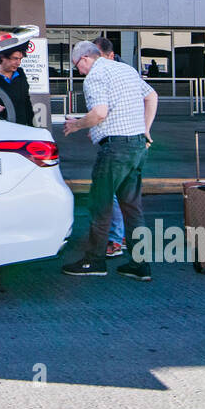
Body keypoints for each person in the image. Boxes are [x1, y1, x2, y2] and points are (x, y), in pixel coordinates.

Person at [61, 40, 157, 280]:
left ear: (84, 59)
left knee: (100, 204)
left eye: (77, 66)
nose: (78, 71)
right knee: (132, 208)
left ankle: (94, 261)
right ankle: (140, 264)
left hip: (114, 148)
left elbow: (100, 113)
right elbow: (152, 96)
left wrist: (76, 125)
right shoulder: (126, 69)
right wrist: (145, 130)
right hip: (136, 146)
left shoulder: (94, 75)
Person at [90, 37, 126, 257]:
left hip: (118, 140)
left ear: (110, 56)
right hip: (130, 139)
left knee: (110, 191)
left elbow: (103, 112)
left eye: (98, 57)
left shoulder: (115, 74)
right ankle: (122, 236)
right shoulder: (125, 72)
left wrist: (81, 123)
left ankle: (115, 238)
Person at [0, 43, 35, 126]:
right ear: (2, 57)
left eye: (20, 59)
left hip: (21, 127)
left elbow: (26, 101)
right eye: (15, 58)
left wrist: (31, 125)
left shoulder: (20, 74)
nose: (18, 63)